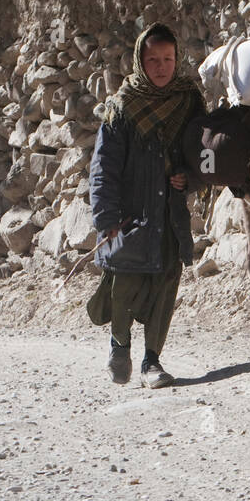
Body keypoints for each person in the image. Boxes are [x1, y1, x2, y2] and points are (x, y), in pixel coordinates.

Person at [87, 22, 205, 388]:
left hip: (169, 213)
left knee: (166, 283)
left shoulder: (189, 101)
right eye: (153, 59)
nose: (161, 66)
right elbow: (103, 165)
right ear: (140, 60)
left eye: (168, 58)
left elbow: (204, 154)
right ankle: (119, 347)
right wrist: (106, 216)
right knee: (124, 280)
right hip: (130, 214)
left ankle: (152, 361)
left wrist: (191, 178)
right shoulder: (122, 107)